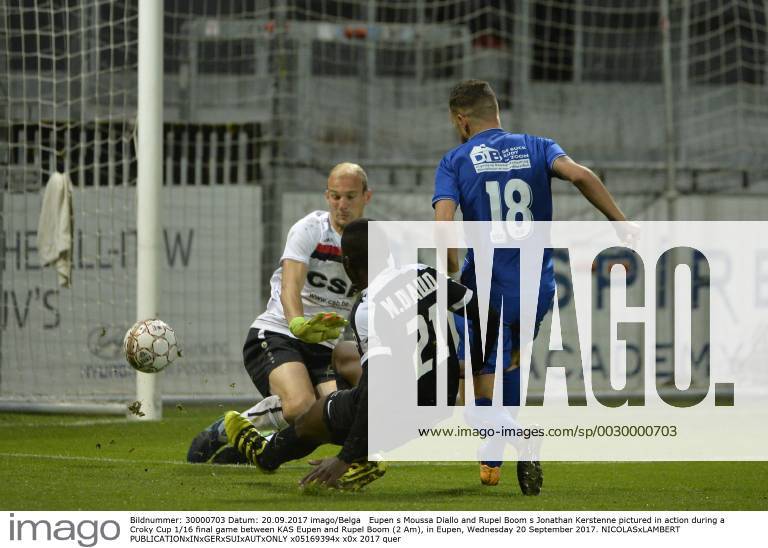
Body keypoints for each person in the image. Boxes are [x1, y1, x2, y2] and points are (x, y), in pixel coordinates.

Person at [433, 79, 637, 492]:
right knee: (509, 362)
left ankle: (517, 440)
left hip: (486, 289)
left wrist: (450, 269)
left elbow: (444, 224)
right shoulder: (538, 145)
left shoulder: (456, 159)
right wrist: (620, 221)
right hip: (535, 286)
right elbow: (581, 176)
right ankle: (491, 464)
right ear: (496, 111)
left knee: (470, 390)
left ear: (462, 120)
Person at [223, 218, 495, 489]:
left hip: (400, 413)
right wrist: (474, 366)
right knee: (343, 353)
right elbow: (489, 316)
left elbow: (375, 389)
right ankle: (360, 446)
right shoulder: (423, 273)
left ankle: (267, 456)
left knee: (314, 416)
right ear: (387, 252)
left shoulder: (369, 308)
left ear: (348, 264)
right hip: (440, 405)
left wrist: (344, 457)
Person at [187, 162, 372, 464]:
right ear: (327, 196)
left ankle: (253, 448)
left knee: (331, 418)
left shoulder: (369, 241)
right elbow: (290, 285)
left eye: (350, 196)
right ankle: (222, 429)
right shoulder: (310, 229)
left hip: (324, 348)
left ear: (367, 196)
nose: (342, 205)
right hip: (279, 333)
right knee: (301, 406)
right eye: (335, 196)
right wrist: (298, 322)